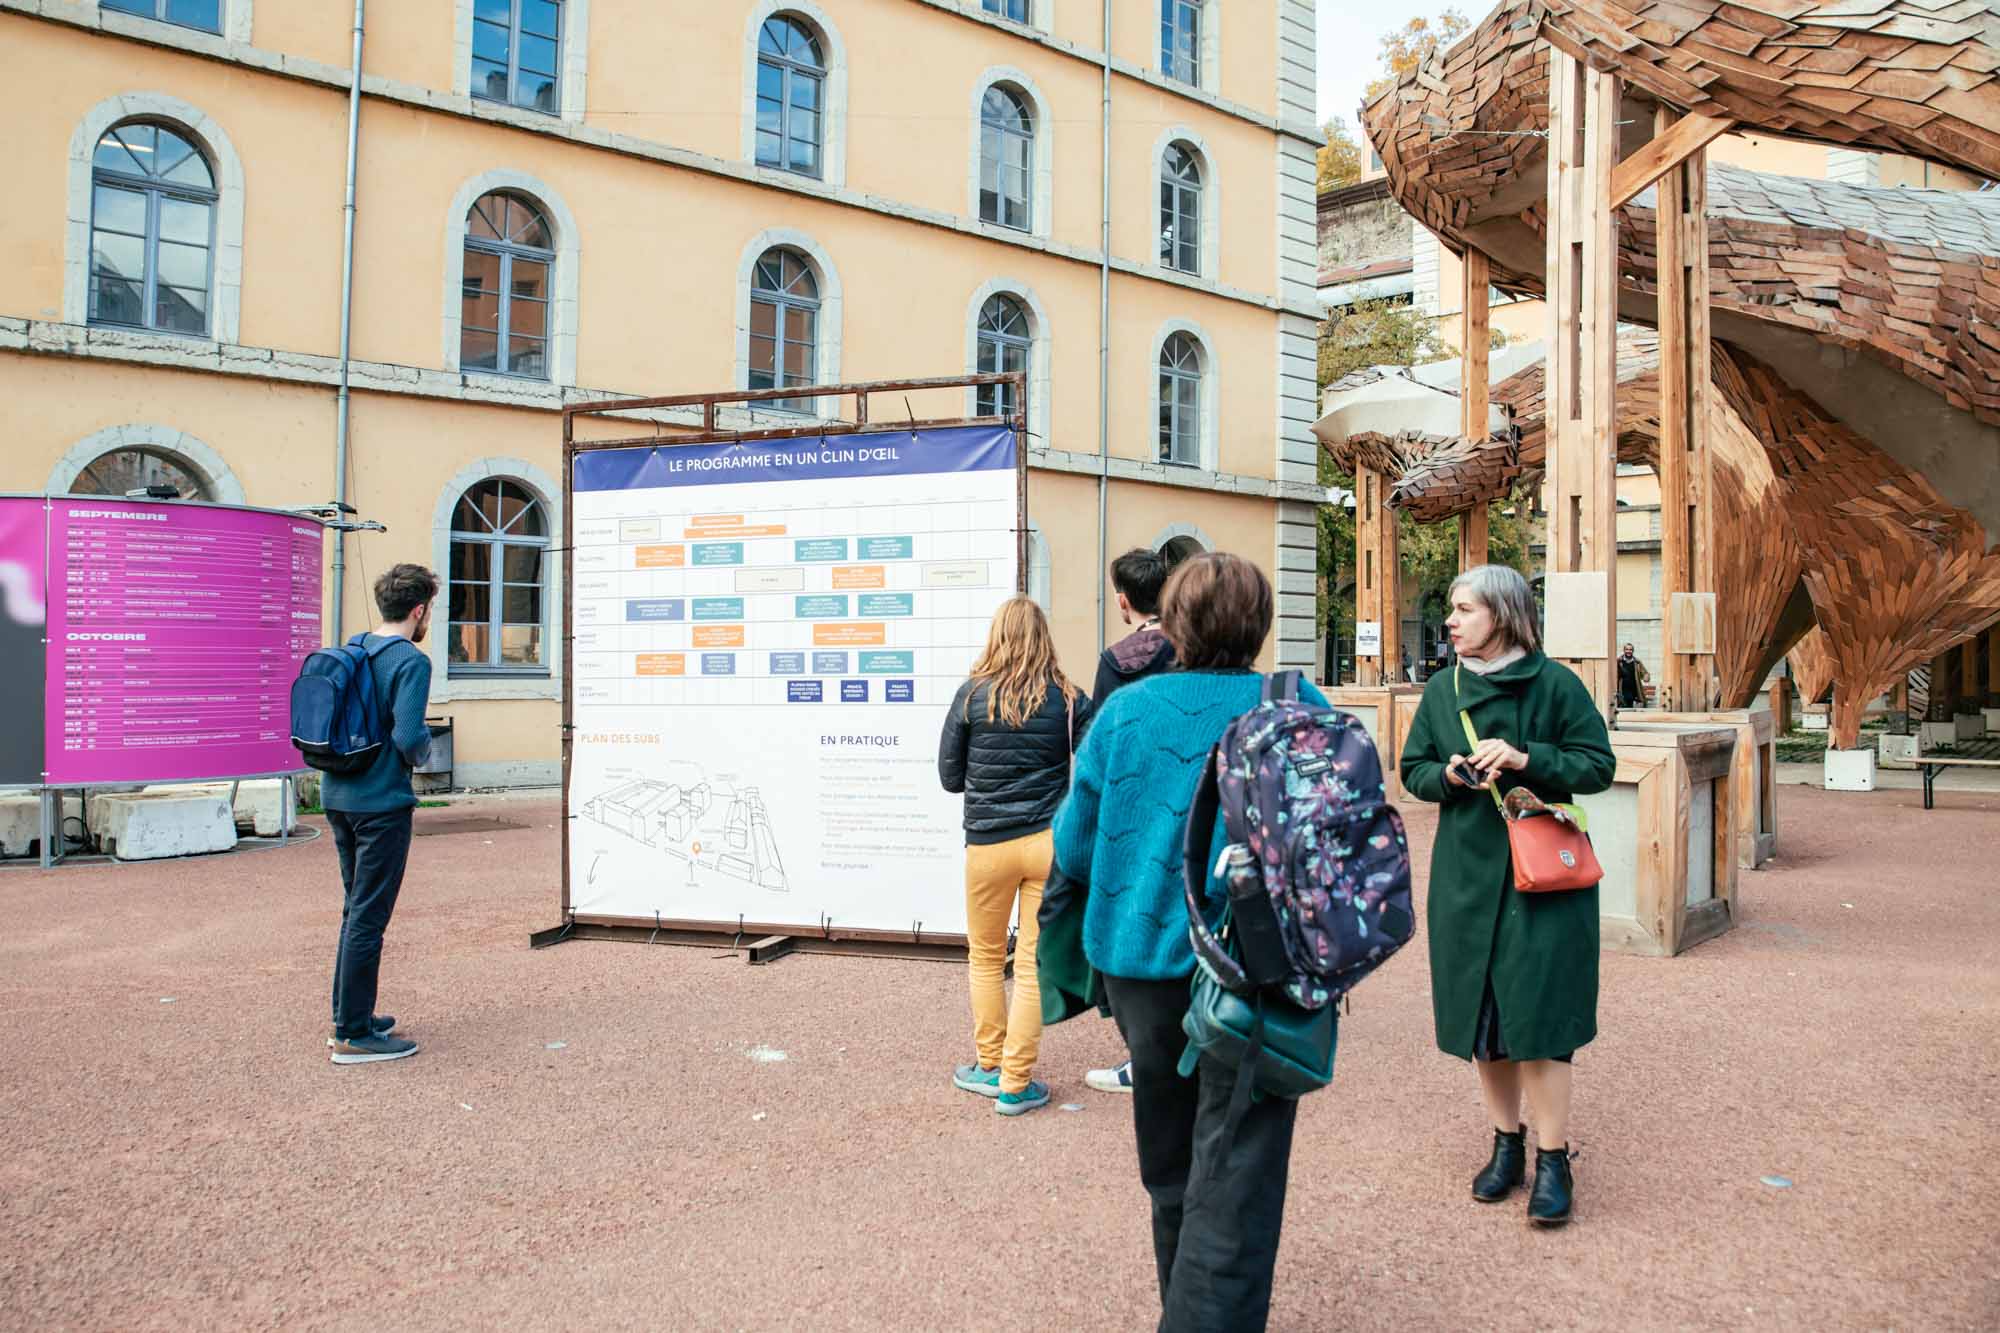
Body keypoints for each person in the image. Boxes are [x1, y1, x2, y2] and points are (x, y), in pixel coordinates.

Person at [1053, 552, 1331, 1329]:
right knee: (1240, 1164)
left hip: (1144, 965)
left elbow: (1073, 851)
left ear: (1171, 623)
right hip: (1259, 961)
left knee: (1171, 1164)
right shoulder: (1296, 703)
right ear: (1260, 624)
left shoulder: (1126, 713)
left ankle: (1182, 1303)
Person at [1398, 564, 1616, 1225]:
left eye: (1465, 609)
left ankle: (1554, 1159)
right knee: (1486, 1022)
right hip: (1466, 880)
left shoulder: (1556, 685)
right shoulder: (1442, 689)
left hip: (1544, 884)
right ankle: (1506, 1145)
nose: (1452, 621)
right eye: (1453, 611)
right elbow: (1412, 768)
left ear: (1505, 612)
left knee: (1543, 1022)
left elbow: (1597, 765)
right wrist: (1451, 774)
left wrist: (1527, 758)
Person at [939, 597, 1094, 1116]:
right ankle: (1015, 1083)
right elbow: (1098, 758)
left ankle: (987, 1064)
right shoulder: (1068, 698)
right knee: (1030, 964)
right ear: (1042, 638)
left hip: (987, 845)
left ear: (997, 636)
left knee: (985, 957)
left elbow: (949, 778)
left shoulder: (970, 696)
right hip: (1047, 844)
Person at [323, 563, 439, 1065]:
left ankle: (350, 1016)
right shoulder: (409, 661)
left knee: (355, 910)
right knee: (369, 917)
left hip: (338, 796)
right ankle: (353, 1034)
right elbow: (410, 737)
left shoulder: (355, 648)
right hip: (381, 803)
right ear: (419, 610)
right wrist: (423, 756)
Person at [1082, 547, 1179, 1096]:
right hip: (1194, 803)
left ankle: (1147, 1057)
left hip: (1136, 812)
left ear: (1123, 599)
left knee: (1136, 924)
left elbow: (1099, 748)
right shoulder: (1196, 646)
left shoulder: (1119, 660)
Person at [1616, 642, 1650, 708]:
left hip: (1633, 690)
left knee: (1630, 706)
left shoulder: (1637, 662)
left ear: (1633, 651)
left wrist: (1646, 677)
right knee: (1623, 706)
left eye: (1630, 649)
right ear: (1624, 650)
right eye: (1627, 649)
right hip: (1622, 689)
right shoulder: (1619, 661)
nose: (1628, 651)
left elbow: (1645, 673)